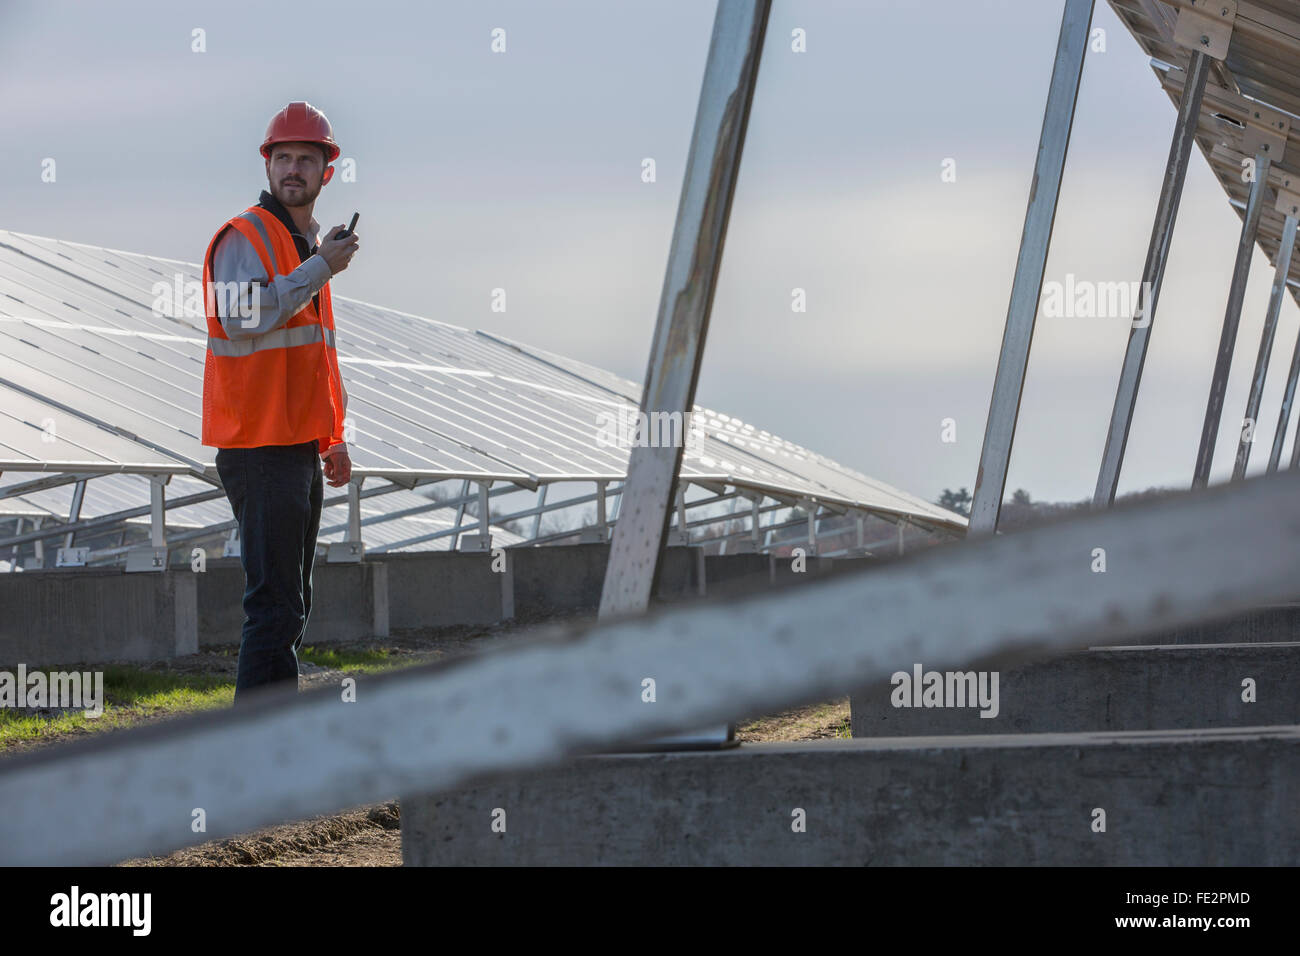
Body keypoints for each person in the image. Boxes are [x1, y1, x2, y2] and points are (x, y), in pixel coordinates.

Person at [200, 100, 359, 702]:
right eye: (284, 157)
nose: (294, 168)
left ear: (326, 172)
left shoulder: (305, 245)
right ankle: (259, 761)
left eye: (306, 159)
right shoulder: (248, 235)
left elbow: (315, 356)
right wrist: (319, 267)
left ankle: (267, 751)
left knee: (291, 605)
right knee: (273, 606)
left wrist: (333, 436)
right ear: (268, 165)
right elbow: (241, 320)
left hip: (294, 445)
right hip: (257, 446)